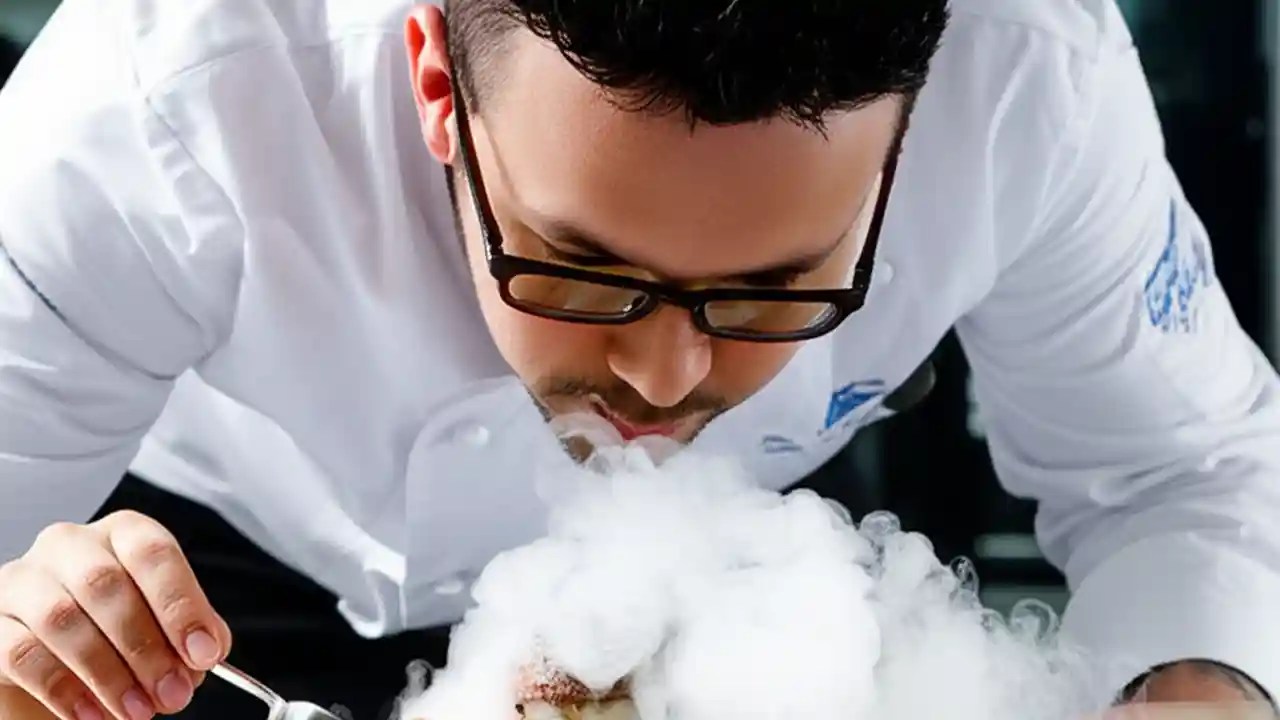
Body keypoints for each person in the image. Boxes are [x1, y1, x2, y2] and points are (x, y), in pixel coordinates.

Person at [0, 0, 1278, 718]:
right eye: (581, 271)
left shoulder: (1026, 80)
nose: (666, 384)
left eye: (776, 287)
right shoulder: (160, 97)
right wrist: (24, 620)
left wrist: (1196, 690)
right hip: (204, 590)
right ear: (437, 80)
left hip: (730, 561)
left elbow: (1187, 477)